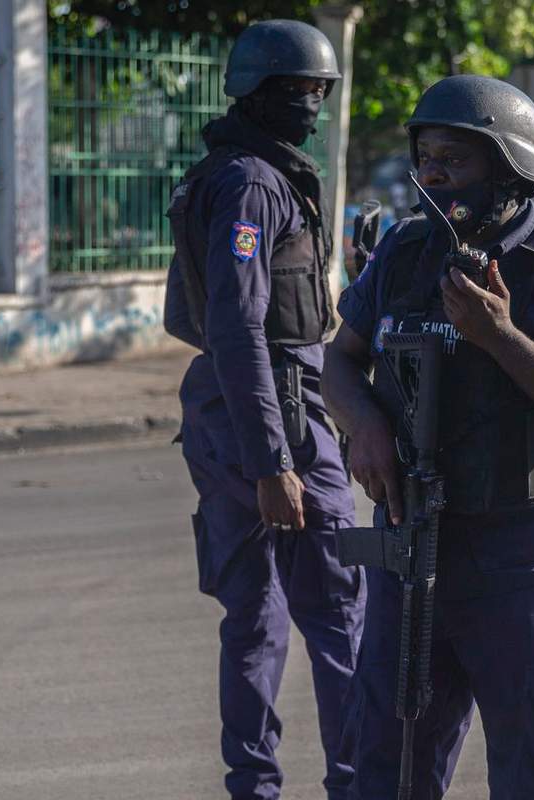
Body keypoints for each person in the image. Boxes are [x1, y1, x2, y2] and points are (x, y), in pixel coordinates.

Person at [322, 74, 534, 799]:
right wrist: (361, 422)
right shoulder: (403, 253)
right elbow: (340, 357)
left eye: (454, 160)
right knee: (388, 769)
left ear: (510, 166)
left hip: (522, 561)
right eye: (425, 157)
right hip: (412, 545)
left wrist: (501, 337)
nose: (432, 176)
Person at [162, 19, 365, 800]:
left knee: (258, 617)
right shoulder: (251, 182)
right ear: (256, 92)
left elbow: (207, 320)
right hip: (274, 411)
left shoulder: (237, 173)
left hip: (234, 407)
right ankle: (357, 781)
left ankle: (257, 786)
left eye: (320, 90)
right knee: (337, 613)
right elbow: (237, 326)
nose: (311, 104)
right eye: (298, 90)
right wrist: (276, 461)